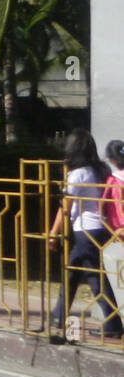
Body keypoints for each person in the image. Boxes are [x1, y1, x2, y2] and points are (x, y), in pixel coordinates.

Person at [48, 129, 123, 340]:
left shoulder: (78, 174)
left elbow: (65, 206)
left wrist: (53, 234)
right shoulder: (98, 170)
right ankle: (58, 315)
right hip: (99, 229)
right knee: (72, 273)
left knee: (95, 278)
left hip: (85, 231)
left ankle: (112, 325)